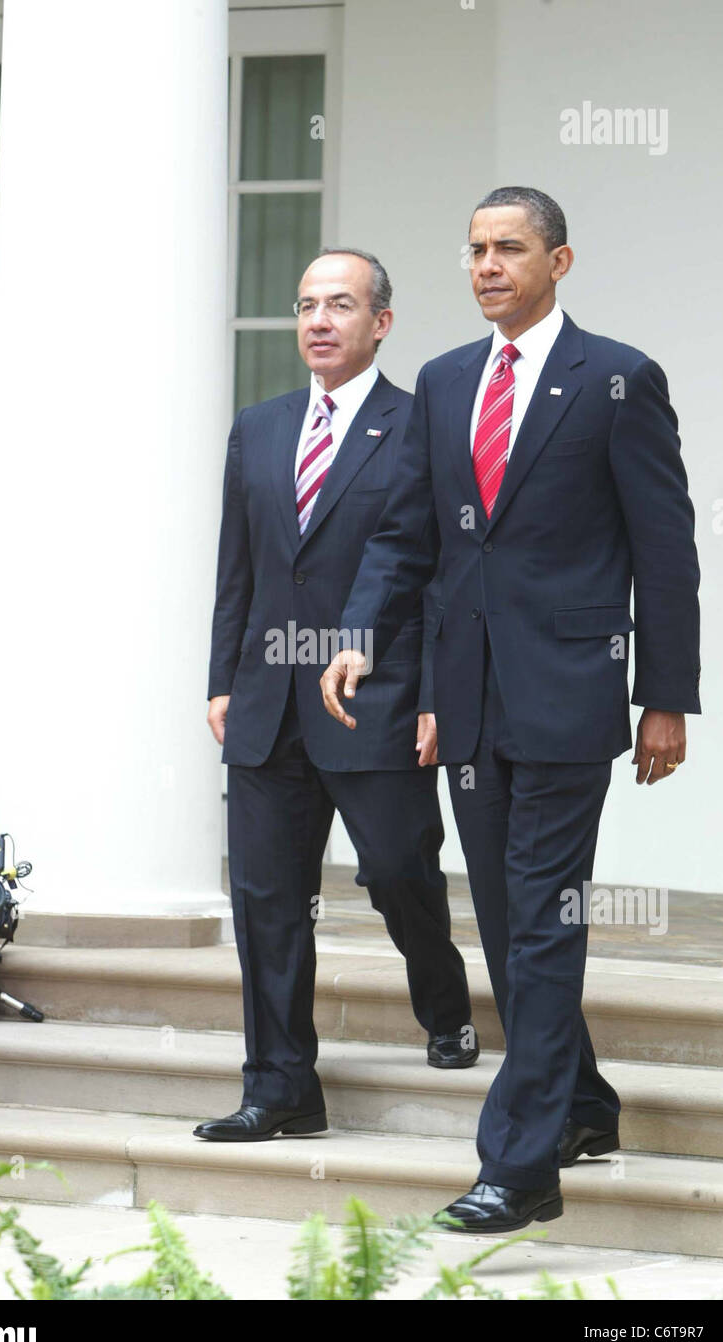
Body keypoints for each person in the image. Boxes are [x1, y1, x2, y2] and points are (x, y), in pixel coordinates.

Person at [320, 190, 700, 1231]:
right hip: (470, 703)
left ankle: (520, 1163)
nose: (486, 265)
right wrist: (359, 634)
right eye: (475, 249)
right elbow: (409, 536)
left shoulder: (616, 378)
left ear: (558, 260)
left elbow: (663, 551)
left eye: (508, 248)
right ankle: (580, 1102)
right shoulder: (443, 383)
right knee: (504, 920)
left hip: (572, 695)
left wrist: (662, 694)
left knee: (538, 920)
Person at [196, 249, 478, 1144]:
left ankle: (443, 1002)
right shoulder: (261, 425)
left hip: (379, 699)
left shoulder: (420, 423)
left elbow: (437, 576)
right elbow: (237, 566)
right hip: (267, 698)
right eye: (307, 304)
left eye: (341, 305)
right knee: (267, 900)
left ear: (380, 323)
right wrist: (221, 680)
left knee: (399, 870)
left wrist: (436, 693)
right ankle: (280, 1087)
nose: (319, 320)